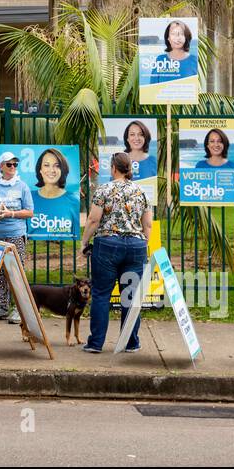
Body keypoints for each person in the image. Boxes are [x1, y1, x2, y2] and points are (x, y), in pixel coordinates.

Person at [80, 151, 152, 354]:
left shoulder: (104, 189)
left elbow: (94, 220)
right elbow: (147, 224)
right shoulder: (141, 191)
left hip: (108, 244)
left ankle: (96, 343)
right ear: (129, 168)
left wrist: (84, 242)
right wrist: (143, 245)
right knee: (130, 296)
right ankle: (130, 342)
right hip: (136, 246)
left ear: (113, 168)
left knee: (101, 294)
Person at [0, 151, 33, 324]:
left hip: (15, 235)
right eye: (9, 164)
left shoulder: (22, 186)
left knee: (16, 271)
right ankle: (2, 306)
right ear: (1, 166)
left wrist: (11, 213)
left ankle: (19, 309)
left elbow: (30, 212)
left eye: (15, 164)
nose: (12, 167)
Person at [32, 147, 81, 240]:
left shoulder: (74, 200)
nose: (52, 170)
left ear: (62, 169)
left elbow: (74, 234)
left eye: (57, 165)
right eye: (46, 165)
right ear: (40, 170)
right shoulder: (29, 197)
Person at [147, 19, 198, 84]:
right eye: (173, 34)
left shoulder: (194, 60)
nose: (177, 38)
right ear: (168, 38)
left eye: (181, 34)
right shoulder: (160, 60)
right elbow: (152, 86)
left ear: (186, 37)